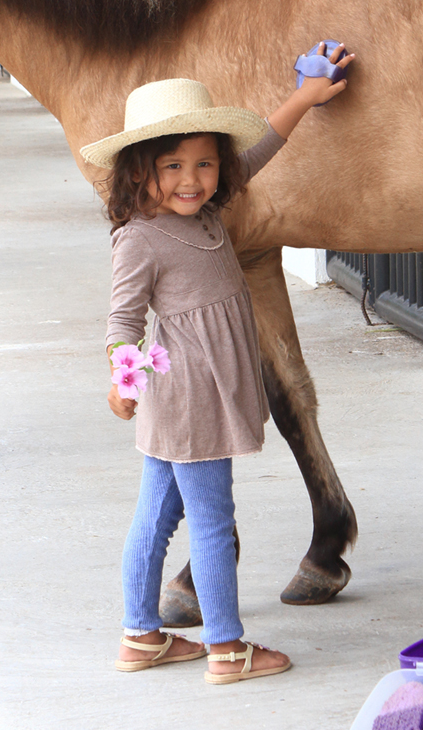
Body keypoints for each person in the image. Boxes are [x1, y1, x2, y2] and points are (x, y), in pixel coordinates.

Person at [81, 49, 352, 685]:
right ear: (138, 173)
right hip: (189, 397)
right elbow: (123, 324)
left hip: (190, 397)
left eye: (204, 164)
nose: (191, 179)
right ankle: (227, 648)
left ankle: (141, 636)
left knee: (156, 516)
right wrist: (123, 384)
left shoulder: (205, 212)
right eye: (172, 166)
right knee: (211, 521)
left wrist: (306, 98)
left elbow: (256, 154)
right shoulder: (140, 237)